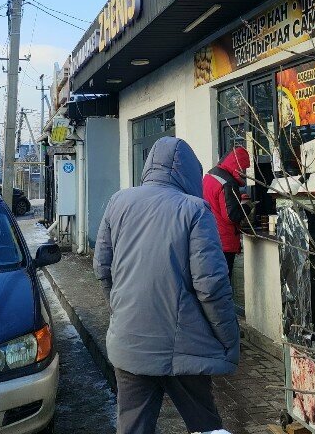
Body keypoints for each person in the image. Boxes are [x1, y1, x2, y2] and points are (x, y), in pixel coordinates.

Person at [94, 137, 239, 434]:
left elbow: (102, 269)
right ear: (190, 172)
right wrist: (228, 340)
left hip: (129, 343)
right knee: (206, 426)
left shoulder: (118, 202)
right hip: (186, 349)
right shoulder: (195, 209)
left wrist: (122, 310)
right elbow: (211, 287)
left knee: (132, 426)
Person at [202, 146, 252, 279]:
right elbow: (231, 216)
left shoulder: (210, 175)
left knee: (215, 280)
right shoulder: (228, 183)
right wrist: (247, 207)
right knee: (225, 281)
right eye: (244, 169)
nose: (244, 173)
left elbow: (216, 203)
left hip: (209, 236)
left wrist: (237, 199)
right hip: (224, 241)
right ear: (239, 166)